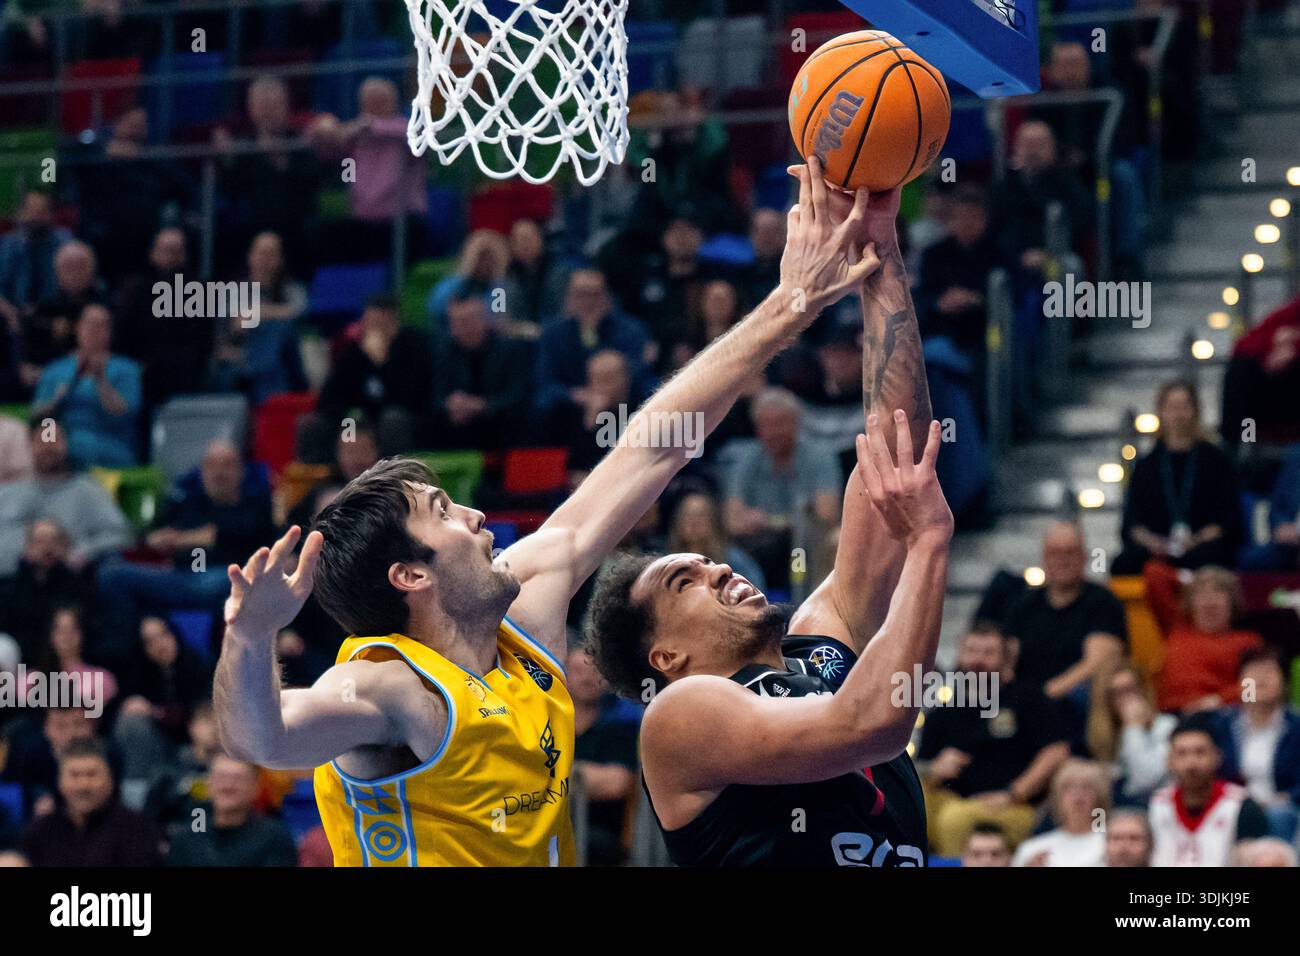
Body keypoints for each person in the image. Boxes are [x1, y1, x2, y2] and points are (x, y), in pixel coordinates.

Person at [212, 157, 882, 866]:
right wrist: (249, 639)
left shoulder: (524, 611)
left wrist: (790, 307)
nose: (475, 515)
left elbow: (652, 451)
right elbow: (264, 738)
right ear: (410, 575)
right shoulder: (391, 685)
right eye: (443, 512)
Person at [584, 179, 944, 867]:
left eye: (701, 564)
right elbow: (874, 723)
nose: (717, 566)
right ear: (665, 658)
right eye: (682, 582)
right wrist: (929, 544)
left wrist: (881, 254)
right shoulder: (683, 715)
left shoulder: (818, 650)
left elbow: (898, 446)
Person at [97, 439, 275, 662]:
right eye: (211, 465)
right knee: (112, 573)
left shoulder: (255, 504)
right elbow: (157, 536)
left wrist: (183, 539)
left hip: (229, 581)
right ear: (201, 471)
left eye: (227, 465)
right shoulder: (187, 501)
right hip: (181, 578)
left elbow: (223, 533)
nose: (218, 473)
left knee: (224, 580)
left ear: (241, 471)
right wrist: (160, 540)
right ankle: (124, 656)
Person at [917, 624, 1070, 856]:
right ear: (960, 655)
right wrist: (935, 768)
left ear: (1005, 660)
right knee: (914, 803)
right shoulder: (943, 708)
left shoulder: (1026, 697)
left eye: (988, 653)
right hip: (954, 800)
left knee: (955, 819)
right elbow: (919, 768)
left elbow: (1057, 751)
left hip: (1013, 806)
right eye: (971, 651)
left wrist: (1013, 793)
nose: (978, 660)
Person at [1113, 380, 1244, 573]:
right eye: (1172, 407)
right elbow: (1132, 522)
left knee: (1214, 557)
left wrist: (1197, 539)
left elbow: (1229, 517)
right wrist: (1154, 542)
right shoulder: (1146, 465)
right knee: (1123, 563)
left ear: (1195, 410)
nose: (1178, 415)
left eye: (1184, 407)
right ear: (1161, 411)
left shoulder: (1216, 460)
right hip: (1158, 548)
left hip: (1201, 547)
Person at [723, 387, 843, 592]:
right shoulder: (747, 459)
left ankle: (802, 603)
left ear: (796, 424)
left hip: (802, 547)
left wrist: (769, 521)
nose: (773, 432)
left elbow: (827, 515)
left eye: (780, 423)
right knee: (732, 553)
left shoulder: (819, 456)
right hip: (758, 548)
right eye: (766, 425)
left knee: (801, 547)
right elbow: (732, 522)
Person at [1004, 522, 1127, 715]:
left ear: (1084, 557)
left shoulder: (1103, 602)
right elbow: (1007, 659)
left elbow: (1099, 663)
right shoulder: (1024, 605)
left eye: (1070, 552)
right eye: (1055, 553)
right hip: (1027, 703)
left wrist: (1044, 695)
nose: (1062, 560)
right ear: (1044, 558)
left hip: (1076, 702)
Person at [302, 294, 434, 461]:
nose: (376, 330)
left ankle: (391, 473)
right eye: (371, 324)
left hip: (402, 421)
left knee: (391, 420)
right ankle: (323, 477)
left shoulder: (415, 348)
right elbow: (329, 398)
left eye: (382, 324)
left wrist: (383, 365)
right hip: (359, 422)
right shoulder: (354, 352)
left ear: (395, 323)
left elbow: (411, 399)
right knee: (316, 424)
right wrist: (349, 414)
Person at [0, 418, 131, 578]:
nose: (48, 446)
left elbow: (120, 534)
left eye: (55, 440)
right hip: (12, 581)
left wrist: (81, 552)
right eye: (41, 441)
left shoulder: (87, 490)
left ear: (67, 444)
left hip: (70, 581)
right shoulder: (8, 493)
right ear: (29, 446)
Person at [534, 268, 656, 422]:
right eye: (581, 295)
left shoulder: (631, 330)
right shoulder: (553, 334)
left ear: (608, 298)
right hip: (570, 407)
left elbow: (635, 374)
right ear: (568, 298)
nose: (588, 302)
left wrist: (604, 395)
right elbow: (546, 382)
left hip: (620, 406)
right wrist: (578, 396)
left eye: (594, 295)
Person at [20, 737, 163, 867]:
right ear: (60, 782)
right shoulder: (41, 831)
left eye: (92, 774)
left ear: (111, 780)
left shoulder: (137, 829)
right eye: (74, 775)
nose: (83, 785)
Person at [31, 302, 142, 468]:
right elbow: (38, 417)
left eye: (101, 326)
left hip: (112, 446)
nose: (94, 331)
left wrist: (101, 379)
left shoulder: (126, 369)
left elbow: (125, 415)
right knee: (47, 442)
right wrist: (57, 400)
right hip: (63, 448)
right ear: (78, 328)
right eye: (89, 324)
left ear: (110, 332)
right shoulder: (55, 370)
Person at [1149, 715, 1269, 866]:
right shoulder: (1154, 805)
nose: (1191, 763)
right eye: (1182, 753)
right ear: (1169, 761)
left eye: (1200, 752)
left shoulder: (1242, 806)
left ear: (1217, 757)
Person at [1143, 561, 1263, 712]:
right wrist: (1191, 579)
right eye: (1201, 593)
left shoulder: (1247, 641)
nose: (1209, 601)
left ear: (1232, 603)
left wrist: (1218, 700)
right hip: (1169, 715)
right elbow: (1153, 572)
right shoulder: (1176, 626)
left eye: (1218, 593)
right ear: (1190, 602)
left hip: (1218, 715)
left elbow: (1254, 688)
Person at [1212, 650, 1300, 841]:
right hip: (1232, 805)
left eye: (1269, 672)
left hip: (1281, 807)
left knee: (1278, 815)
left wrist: (1286, 798)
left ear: (1285, 683)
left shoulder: (1296, 727)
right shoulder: (1222, 724)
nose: (1260, 679)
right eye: (1251, 673)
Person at [429, 291, 533, 451]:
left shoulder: (509, 349)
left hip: (499, 421)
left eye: (466, 321)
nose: (460, 328)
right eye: (455, 322)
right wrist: (450, 404)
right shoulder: (444, 351)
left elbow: (518, 394)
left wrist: (483, 406)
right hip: (458, 421)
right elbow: (437, 395)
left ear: (483, 320)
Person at [568, 646, 639, 866]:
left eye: (596, 671)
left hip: (602, 834)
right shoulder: (546, 720)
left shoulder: (622, 723)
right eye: (579, 670)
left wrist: (552, 778)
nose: (588, 678)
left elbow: (618, 783)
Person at [166, 754, 298, 866]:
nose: (228, 786)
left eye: (237, 779)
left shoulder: (274, 838)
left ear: (255, 786)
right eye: (221, 777)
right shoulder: (188, 837)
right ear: (209, 784)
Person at [1086, 661, 1175, 805]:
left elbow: (1145, 780)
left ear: (1143, 690)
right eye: (1116, 693)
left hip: (1155, 806)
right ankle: (1097, 828)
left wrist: (1133, 727)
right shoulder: (1106, 735)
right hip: (1118, 809)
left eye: (1130, 690)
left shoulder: (1166, 725)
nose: (1126, 699)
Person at [1010, 759, 1108, 866]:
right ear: (1057, 799)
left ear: (1100, 797)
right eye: (1068, 788)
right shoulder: (1033, 849)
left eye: (1087, 788)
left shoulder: (1114, 842)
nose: (1078, 796)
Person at [667, 491, 766, 593]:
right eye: (687, 515)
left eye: (700, 515)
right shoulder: (667, 562)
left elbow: (756, 593)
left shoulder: (736, 561)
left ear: (713, 521)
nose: (693, 521)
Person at [1239, 442, 1300, 571]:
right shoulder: (1296, 455)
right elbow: (1277, 504)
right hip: (1291, 541)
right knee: (1249, 560)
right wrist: (1280, 525)